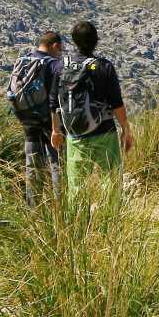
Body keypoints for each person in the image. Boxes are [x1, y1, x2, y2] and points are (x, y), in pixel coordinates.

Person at [52, 20, 131, 194]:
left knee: (76, 186)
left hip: (75, 133)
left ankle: (77, 219)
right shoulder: (104, 66)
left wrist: (55, 130)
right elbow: (116, 103)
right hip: (105, 133)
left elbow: (54, 102)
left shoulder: (60, 67)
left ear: (74, 41)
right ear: (96, 40)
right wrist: (125, 129)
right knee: (110, 182)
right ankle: (110, 218)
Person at [5, 31, 64, 203]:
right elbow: (56, 99)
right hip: (49, 122)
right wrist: (57, 127)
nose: (60, 53)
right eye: (59, 49)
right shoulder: (53, 65)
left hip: (27, 119)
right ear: (54, 45)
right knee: (56, 164)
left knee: (32, 166)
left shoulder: (23, 61)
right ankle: (59, 208)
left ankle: (33, 209)